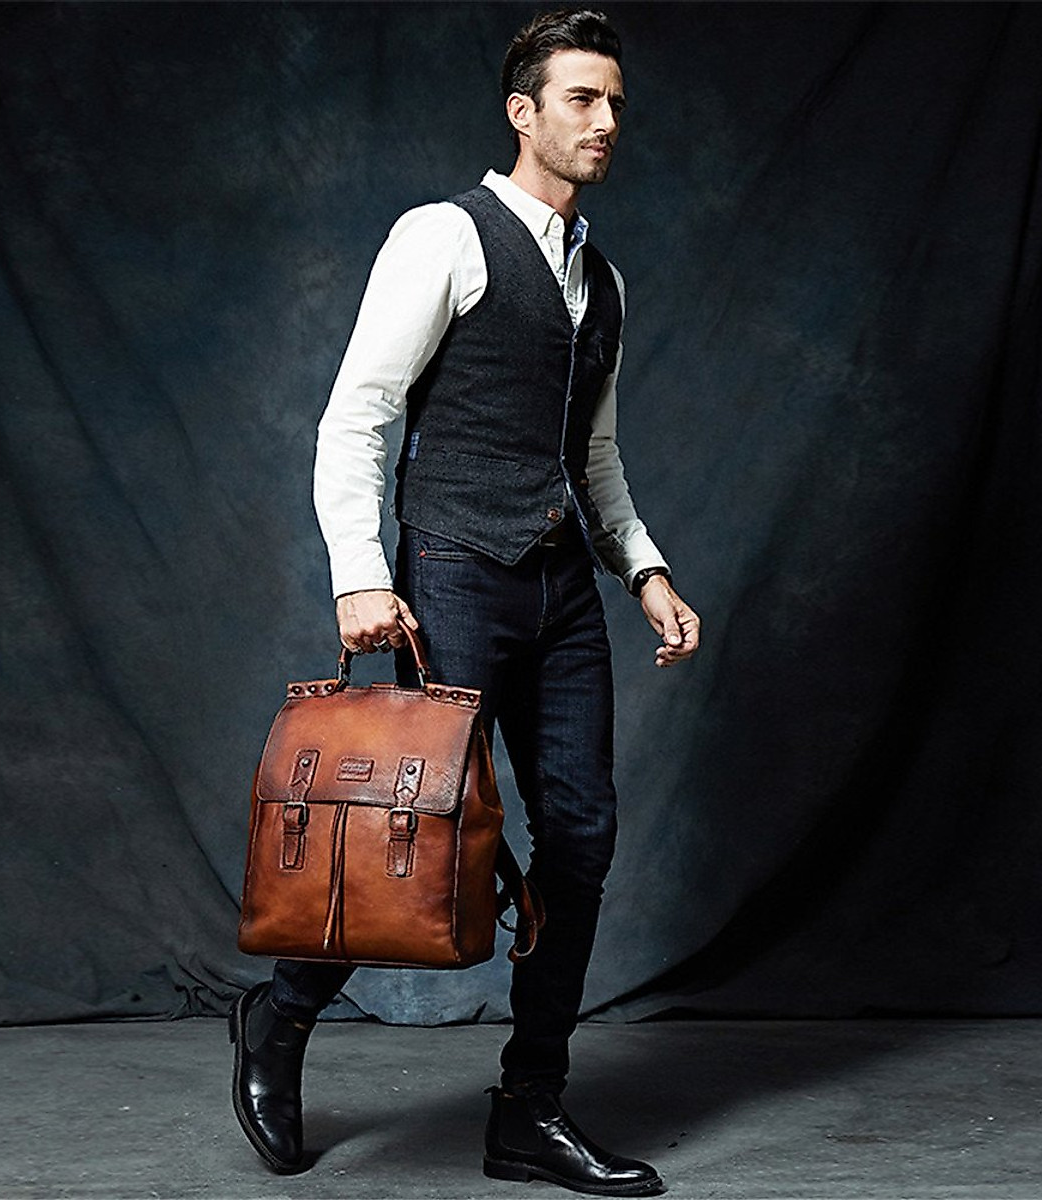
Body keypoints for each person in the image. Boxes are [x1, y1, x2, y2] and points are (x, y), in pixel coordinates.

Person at [230, 9, 700, 1195]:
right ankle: (280, 1016)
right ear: (523, 113)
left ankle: (528, 1108)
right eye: (583, 98)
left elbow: (593, 458)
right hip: (451, 570)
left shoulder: (605, 281)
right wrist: (361, 573)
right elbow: (358, 414)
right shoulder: (445, 235)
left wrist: (645, 572)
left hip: (561, 588)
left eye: (616, 101)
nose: (606, 120)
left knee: (581, 837)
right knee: (411, 835)